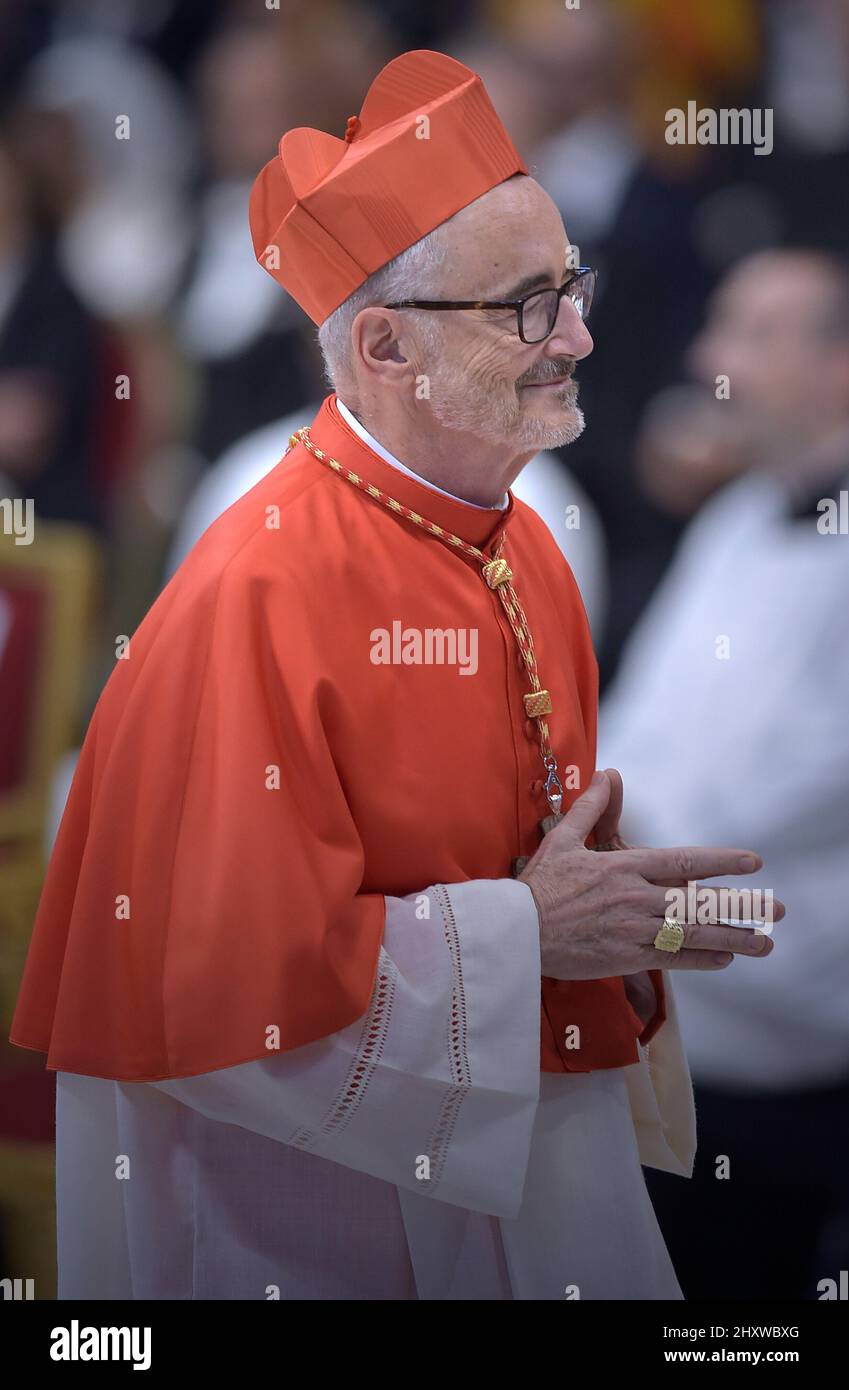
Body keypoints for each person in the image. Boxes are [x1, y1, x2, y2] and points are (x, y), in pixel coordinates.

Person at [9, 50, 778, 1301]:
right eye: (528, 305)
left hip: (513, 1169)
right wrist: (532, 932)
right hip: (310, 1223)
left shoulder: (522, 534)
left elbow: (535, 868)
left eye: (572, 284)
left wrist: (622, 935)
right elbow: (222, 1001)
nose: (579, 334)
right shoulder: (257, 593)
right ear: (382, 345)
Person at [599, 249, 849, 1298]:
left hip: (793, 1015)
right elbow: (640, 721)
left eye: (751, 333)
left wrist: (609, 828)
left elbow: (801, 781)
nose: (711, 359)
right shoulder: (741, 515)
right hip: (662, 982)